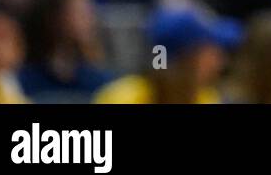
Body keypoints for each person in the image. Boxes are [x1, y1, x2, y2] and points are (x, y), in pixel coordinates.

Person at [93, 7, 240, 104]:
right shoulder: (121, 98)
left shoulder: (208, 98)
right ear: (189, 59)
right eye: (210, 51)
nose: (220, 62)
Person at [17, 0, 114, 103]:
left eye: (87, 8)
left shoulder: (102, 82)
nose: (88, 17)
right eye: (78, 9)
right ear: (52, 17)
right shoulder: (20, 82)